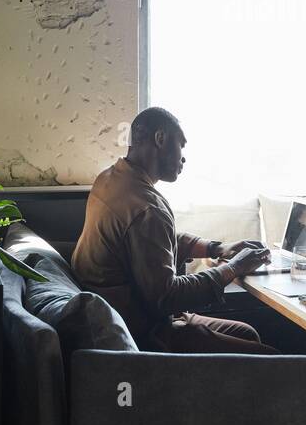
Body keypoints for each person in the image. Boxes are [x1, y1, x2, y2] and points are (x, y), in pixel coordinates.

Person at [72, 107, 274, 353]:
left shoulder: (110, 179)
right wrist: (234, 267)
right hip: (145, 334)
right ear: (160, 139)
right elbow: (167, 297)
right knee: (268, 357)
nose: (183, 158)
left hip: (128, 315)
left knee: (247, 333)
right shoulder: (147, 208)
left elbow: (152, 245)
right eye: (181, 145)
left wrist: (217, 248)